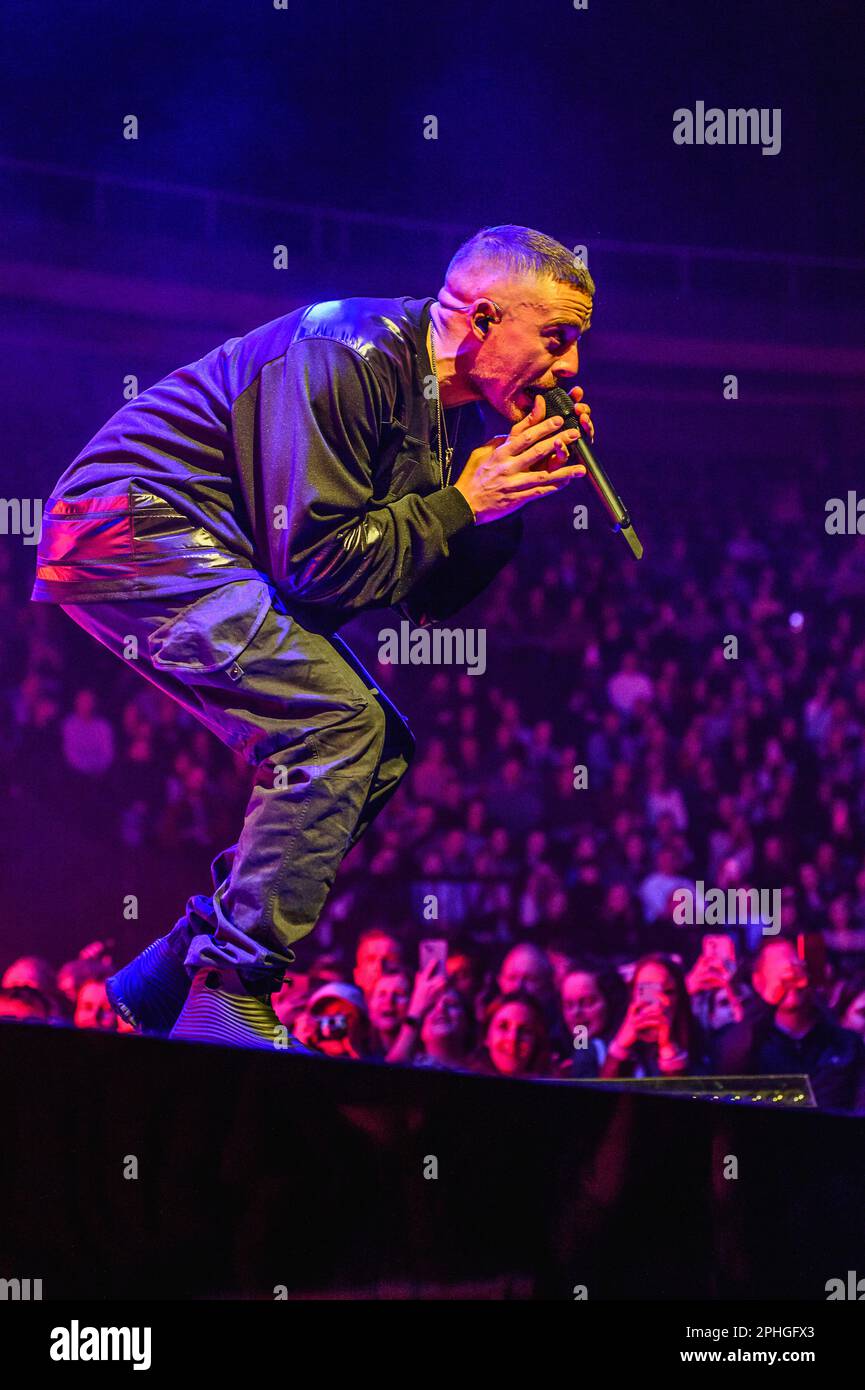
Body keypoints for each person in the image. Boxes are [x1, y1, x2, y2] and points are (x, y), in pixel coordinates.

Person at [31, 223, 595, 1049]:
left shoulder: (439, 414)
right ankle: (228, 992)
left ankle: (178, 966)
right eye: (558, 338)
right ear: (480, 319)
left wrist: (506, 487)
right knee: (337, 725)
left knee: (380, 747)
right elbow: (322, 571)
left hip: (199, 546)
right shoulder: (349, 351)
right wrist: (462, 501)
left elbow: (408, 588)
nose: (571, 366)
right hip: (132, 524)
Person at [713, 938, 865, 1112]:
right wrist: (770, 1000)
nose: (789, 974)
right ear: (758, 981)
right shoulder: (749, 1043)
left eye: (796, 963)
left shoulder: (844, 1044)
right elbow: (726, 1064)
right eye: (777, 967)